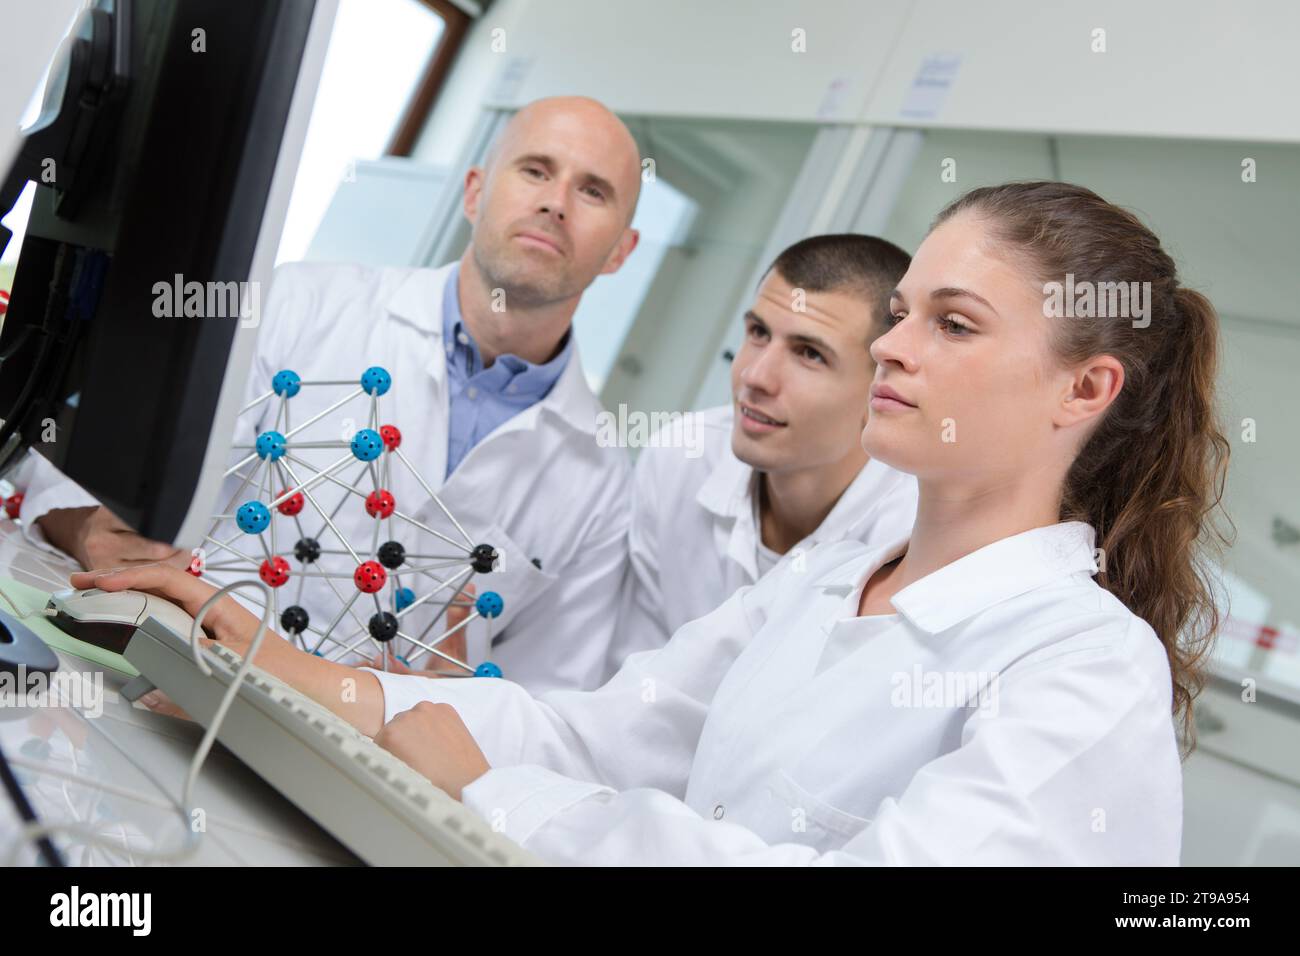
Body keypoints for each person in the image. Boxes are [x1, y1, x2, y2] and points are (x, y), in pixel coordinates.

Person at [73, 180, 1232, 865]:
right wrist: (255, 650)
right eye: (902, 314)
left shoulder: (1085, 669)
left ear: (1084, 391)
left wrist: (490, 790)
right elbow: (601, 728)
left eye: (954, 323)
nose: (892, 345)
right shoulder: (831, 578)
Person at [25, 95, 644, 693]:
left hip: (344, 769)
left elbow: (546, 706)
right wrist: (89, 532)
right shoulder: (299, 305)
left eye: (593, 191)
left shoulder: (603, 483)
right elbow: (72, 483)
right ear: (475, 191)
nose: (556, 203)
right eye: (535, 170)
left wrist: (475, 705)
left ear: (621, 250)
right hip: (160, 673)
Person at [610, 234, 917, 668]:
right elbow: (632, 676)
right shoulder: (682, 458)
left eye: (809, 354)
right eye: (758, 333)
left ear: (881, 387)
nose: (755, 376)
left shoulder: (912, 534)